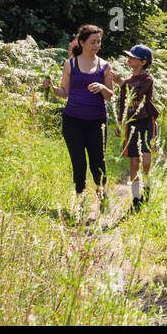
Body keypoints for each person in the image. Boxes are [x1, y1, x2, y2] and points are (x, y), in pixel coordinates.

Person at [53, 24, 120, 221]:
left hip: (97, 121)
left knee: (98, 162)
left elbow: (110, 96)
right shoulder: (70, 64)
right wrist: (52, 89)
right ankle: (80, 202)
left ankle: (101, 196)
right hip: (72, 120)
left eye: (99, 42)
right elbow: (64, 93)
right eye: (93, 42)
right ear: (82, 42)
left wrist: (102, 87)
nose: (97, 45)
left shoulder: (104, 66)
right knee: (79, 163)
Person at [114, 44, 157, 211]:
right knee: (134, 161)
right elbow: (123, 104)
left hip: (146, 121)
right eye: (129, 56)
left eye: (133, 57)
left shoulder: (148, 79)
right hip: (131, 124)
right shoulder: (127, 81)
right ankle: (136, 199)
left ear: (143, 62)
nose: (129, 59)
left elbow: (136, 93)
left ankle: (146, 186)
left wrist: (119, 82)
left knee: (146, 160)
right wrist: (120, 122)